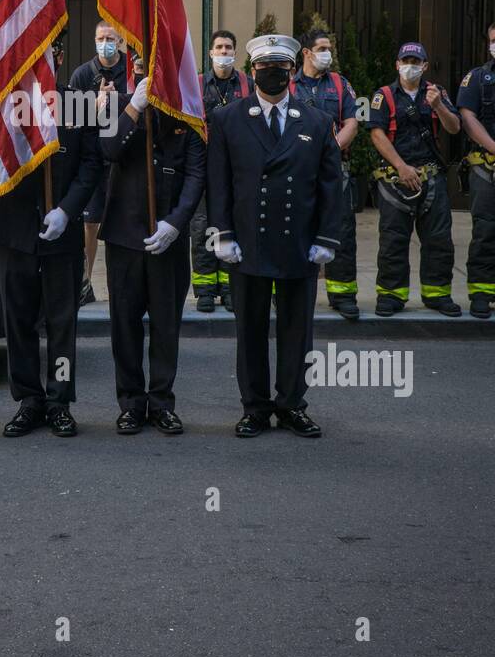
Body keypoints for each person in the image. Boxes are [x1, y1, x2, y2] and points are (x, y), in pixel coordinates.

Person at [209, 33, 342, 440]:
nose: (272, 74)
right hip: (247, 240)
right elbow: (219, 182)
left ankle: (291, 405)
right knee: (249, 330)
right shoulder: (228, 118)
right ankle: (255, 407)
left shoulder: (317, 121)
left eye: (280, 69)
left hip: (297, 242)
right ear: (253, 72)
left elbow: (331, 185)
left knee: (295, 330)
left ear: (291, 72)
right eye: (264, 69)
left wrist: (326, 238)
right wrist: (223, 233)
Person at [0, 33, 102, 438]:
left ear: (59, 55)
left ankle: (59, 401)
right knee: (16, 321)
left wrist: (67, 210)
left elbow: (91, 164)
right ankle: (28, 400)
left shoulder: (79, 101)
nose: (41, 59)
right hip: (13, 228)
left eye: (48, 51)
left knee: (62, 321)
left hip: (61, 230)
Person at [100, 77, 204, 435]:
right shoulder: (120, 105)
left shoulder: (186, 112)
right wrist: (135, 106)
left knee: (165, 325)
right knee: (124, 326)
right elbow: (109, 149)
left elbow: (195, 173)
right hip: (125, 238)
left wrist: (176, 222)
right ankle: (130, 402)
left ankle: (161, 402)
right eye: (145, 66)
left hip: (168, 239)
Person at [365, 41, 461, 317]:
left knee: (439, 240)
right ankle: (392, 295)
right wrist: (402, 167)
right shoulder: (383, 95)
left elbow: (454, 128)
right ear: (397, 65)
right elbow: (376, 134)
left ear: (425, 66)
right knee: (393, 239)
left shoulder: (436, 93)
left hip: (431, 177)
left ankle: (437, 294)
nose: (410, 66)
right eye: (406, 61)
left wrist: (439, 106)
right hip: (396, 177)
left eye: (416, 62)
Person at [290, 28, 360, 320]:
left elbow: (352, 123)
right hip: (297, 170)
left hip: (333, 170)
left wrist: (330, 151)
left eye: (329, 48)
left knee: (340, 229)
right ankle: (290, 291)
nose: (327, 54)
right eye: (322, 48)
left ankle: (342, 294)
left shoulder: (340, 84)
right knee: (293, 228)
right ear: (306, 53)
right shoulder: (290, 85)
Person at [190, 30, 251, 312]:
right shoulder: (197, 84)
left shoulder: (248, 84)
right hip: (203, 164)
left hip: (237, 165)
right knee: (202, 225)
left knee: (231, 223)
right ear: (210, 52)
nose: (224, 52)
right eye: (219, 47)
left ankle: (228, 286)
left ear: (235, 52)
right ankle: (204, 288)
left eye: (228, 47)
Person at [69, 21, 129, 304]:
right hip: (94, 159)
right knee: (90, 223)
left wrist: (119, 101)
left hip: (125, 158)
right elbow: (71, 120)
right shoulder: (83, 74)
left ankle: (122, 286)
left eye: (110, 38)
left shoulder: (131, 70)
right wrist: (97, 103)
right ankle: (85, 282)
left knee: (123, 222)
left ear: (119, 41)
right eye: (100, 37)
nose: (105, 42)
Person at [457, 21, 495, 319]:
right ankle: (482, 292)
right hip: (487, 166)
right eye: (494, 40)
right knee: (485, 230)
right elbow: (468, 119)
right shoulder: (477, 78)